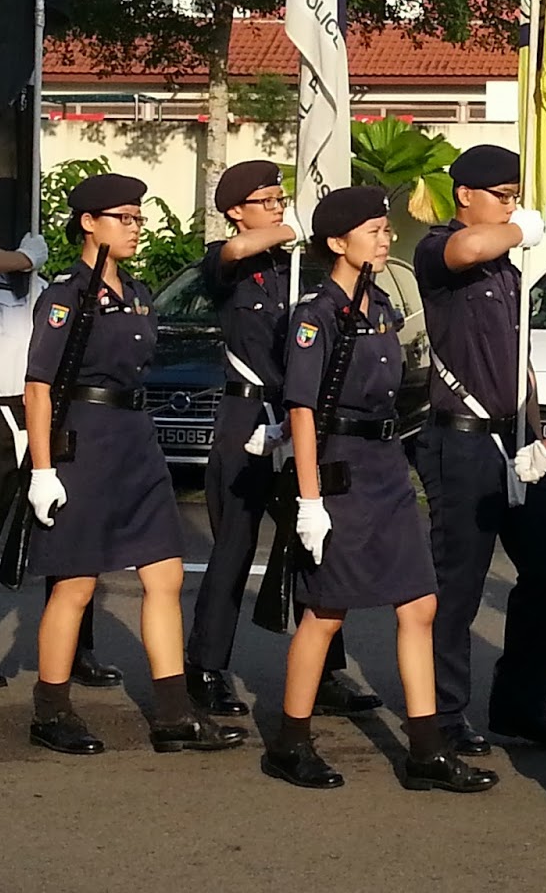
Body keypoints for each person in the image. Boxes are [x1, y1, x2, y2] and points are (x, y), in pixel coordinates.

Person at [261, 186, 497, 794]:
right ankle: (290, 742)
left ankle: (426, 750)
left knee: (419, 603)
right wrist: (309, 499)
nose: (386, 238)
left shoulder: (383, 305)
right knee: (325, 612)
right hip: (339, 469)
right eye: (373, 231)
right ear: (338, 243)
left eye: (386, 229)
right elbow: (303, 410)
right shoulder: (316, 316)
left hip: (387, 467)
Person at [24, 173, 245, 757]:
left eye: (138, 217)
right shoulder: (66, 295)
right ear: (88, 224)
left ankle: (173, 714)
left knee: (165, 574)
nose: (135, 227)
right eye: (123, 217)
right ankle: (51, 710)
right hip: (85, 439)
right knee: (76, 583)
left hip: (136, 440)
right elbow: (39, 386)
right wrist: (43, 470)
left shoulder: (139, 293)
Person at [184, 159, 379, 720]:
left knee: (313, 543)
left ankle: (325, 672)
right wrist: (290, 227)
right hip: (246, 417)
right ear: (235, 211)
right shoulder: (226, 263)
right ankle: (205, 667)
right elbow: (235, 250)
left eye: (279, 199)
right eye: (265, 201)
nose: (275, 208)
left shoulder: (297, 270)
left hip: (298, 416)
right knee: (234, 545)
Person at [412, 144, 546, 755]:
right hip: (461, 440)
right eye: (502, 197)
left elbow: (517, 360)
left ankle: (521, 702)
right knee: (459, 584)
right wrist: (517, 229)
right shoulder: (440, 250)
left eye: (516, 198)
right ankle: (442, 712)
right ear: (465, 195)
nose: (511, 208)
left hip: (515, 440)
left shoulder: (506, 270)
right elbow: (468, 248)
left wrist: (538, 439)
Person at [0, 188, 121, 690]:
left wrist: (33, 266)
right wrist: (25, 257)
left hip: (45, 412)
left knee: (66, 536)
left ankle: (75, 648)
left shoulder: (48, 285)